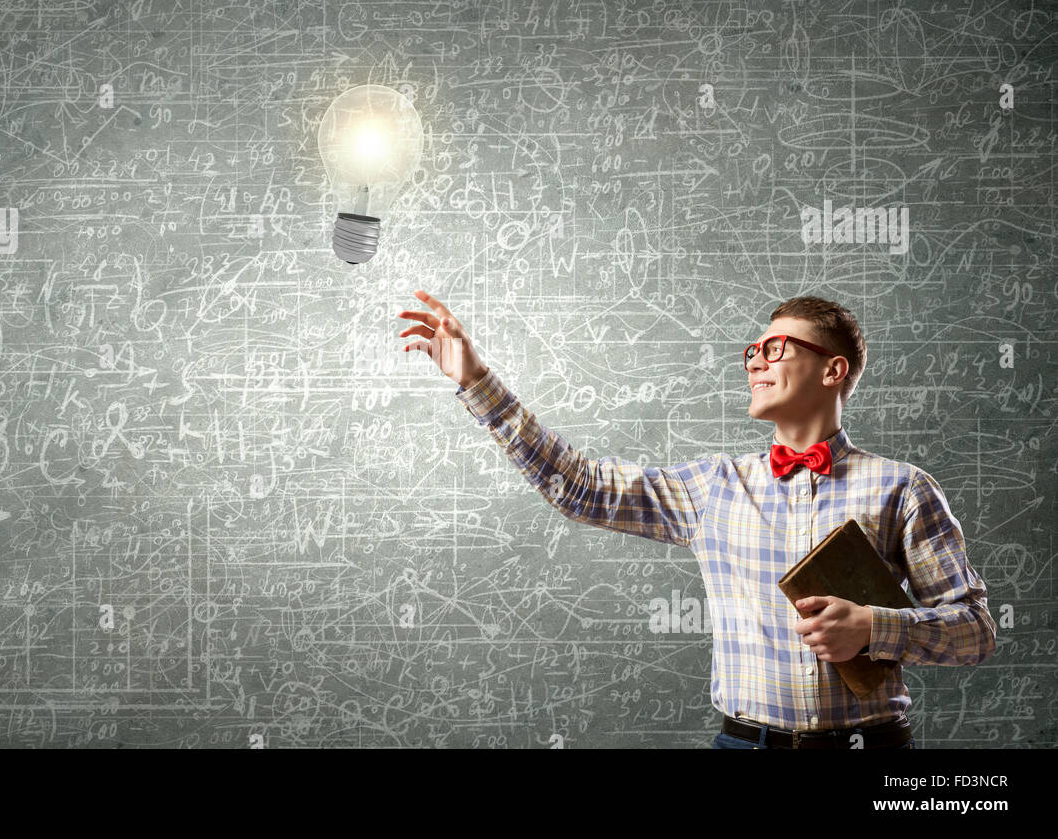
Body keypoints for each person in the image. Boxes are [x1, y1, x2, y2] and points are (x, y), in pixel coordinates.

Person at [397, 289, 997, 749]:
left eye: (775, 348)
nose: (755, 361)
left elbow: (975, 632)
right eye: (751, 351)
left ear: (833, 370)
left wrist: (874, 627)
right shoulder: (713, 488)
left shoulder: (903, 488)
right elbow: (579, 488)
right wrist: (476, 381)